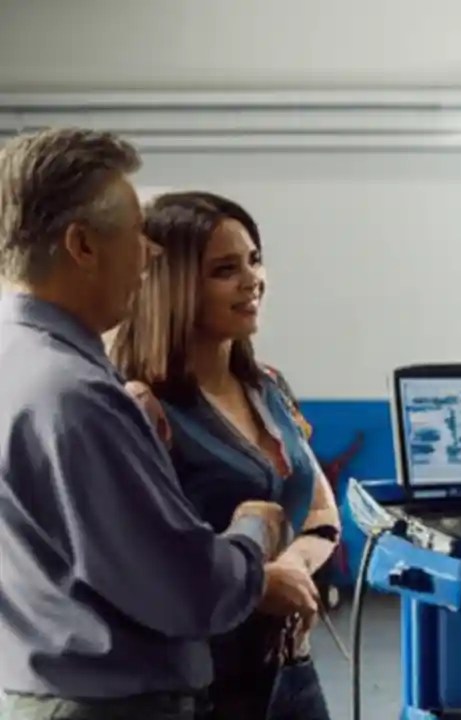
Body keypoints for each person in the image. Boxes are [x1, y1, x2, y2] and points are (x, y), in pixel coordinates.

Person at [0, 128, 302, 720]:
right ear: (82, 246)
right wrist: (251, 529)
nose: (151, 253)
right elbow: (190, 591)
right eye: (137, 234)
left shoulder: (22, 360)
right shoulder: (78, 396)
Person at [110, 190, 339, 720]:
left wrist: (291, 568)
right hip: (201, 687)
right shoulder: (141, 406)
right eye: (225, 269)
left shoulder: (270, 389)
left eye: (255, 260)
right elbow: (143, 562)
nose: (252, 280)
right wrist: (257, 586)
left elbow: (322, 514)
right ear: (173, 284)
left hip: (292, 673)